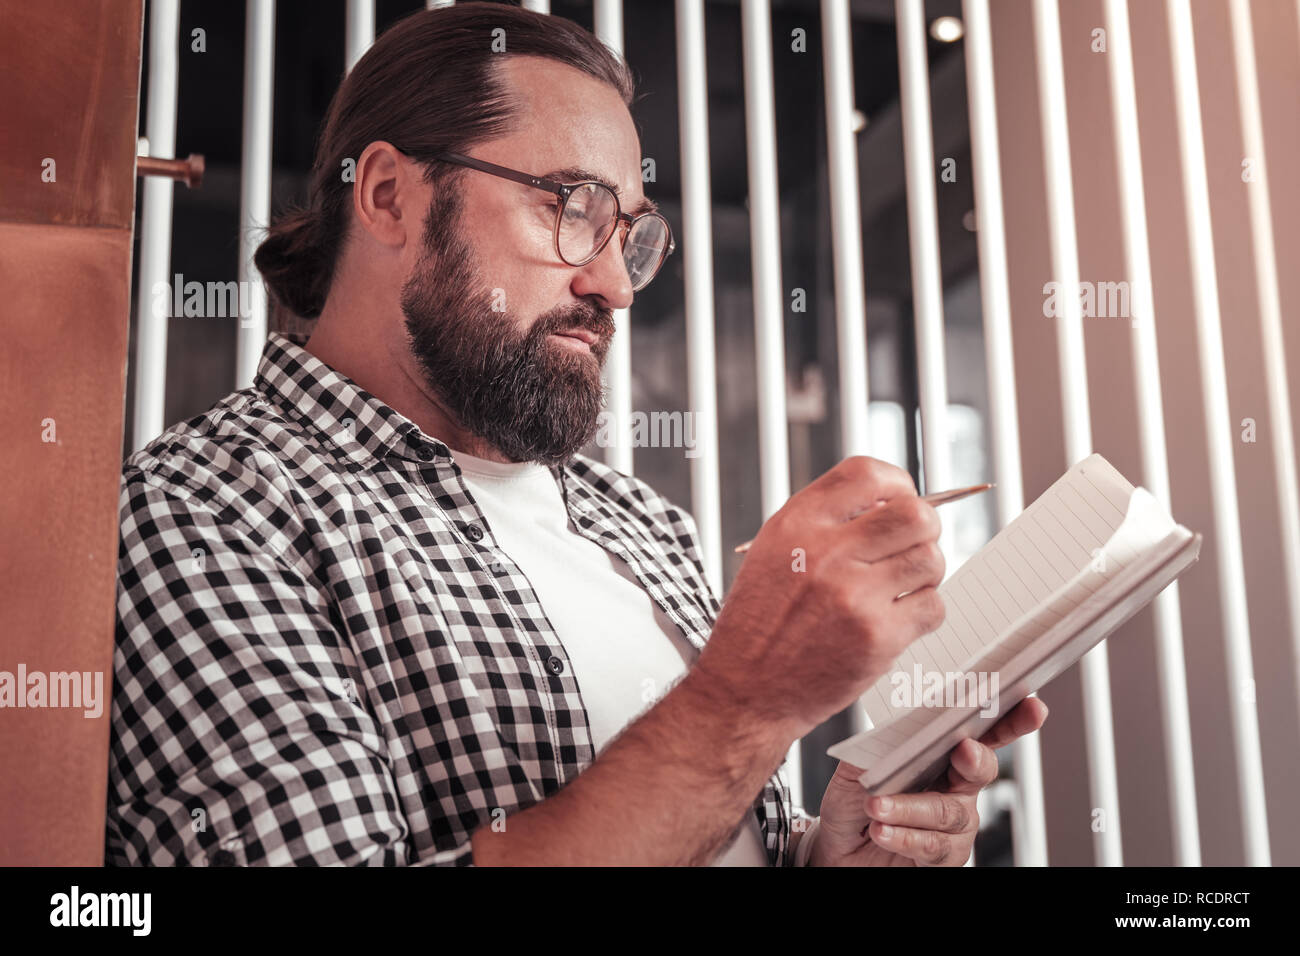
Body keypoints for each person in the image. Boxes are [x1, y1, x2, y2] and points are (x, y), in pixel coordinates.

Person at [108, 1, 1046, 867]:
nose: (618, 285)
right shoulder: (203, 515)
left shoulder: (637, 519)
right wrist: (749, 703)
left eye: (629, 232)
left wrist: (823, 855)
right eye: (570, 207)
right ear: (390, 196)